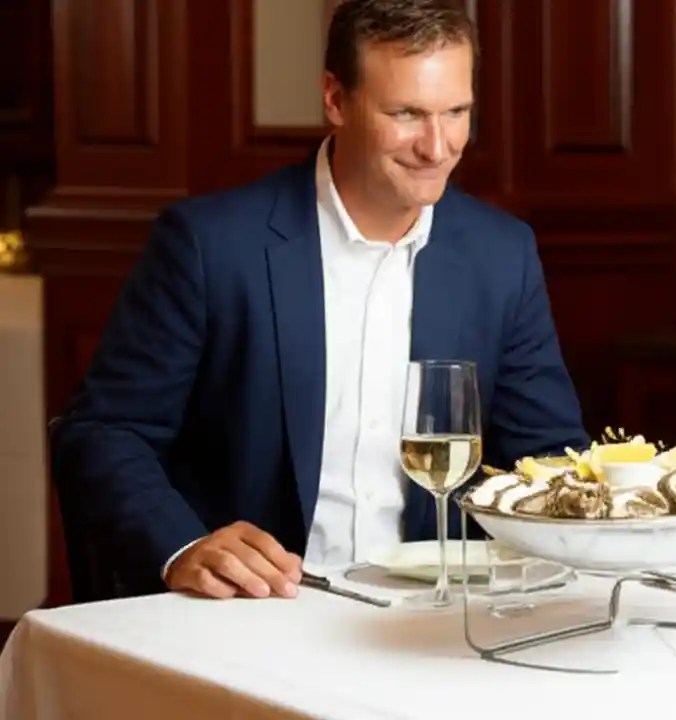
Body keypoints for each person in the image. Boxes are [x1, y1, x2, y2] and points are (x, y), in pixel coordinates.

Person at [50, 0, 589, 602]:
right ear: (335, 99)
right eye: (407, 113)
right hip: (255, 614)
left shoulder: (501, 254)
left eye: (457, 111)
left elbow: (548, 462)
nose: (437, 146)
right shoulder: (212, 245)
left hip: (433, 625)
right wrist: (183, 548)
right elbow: (103, 433)